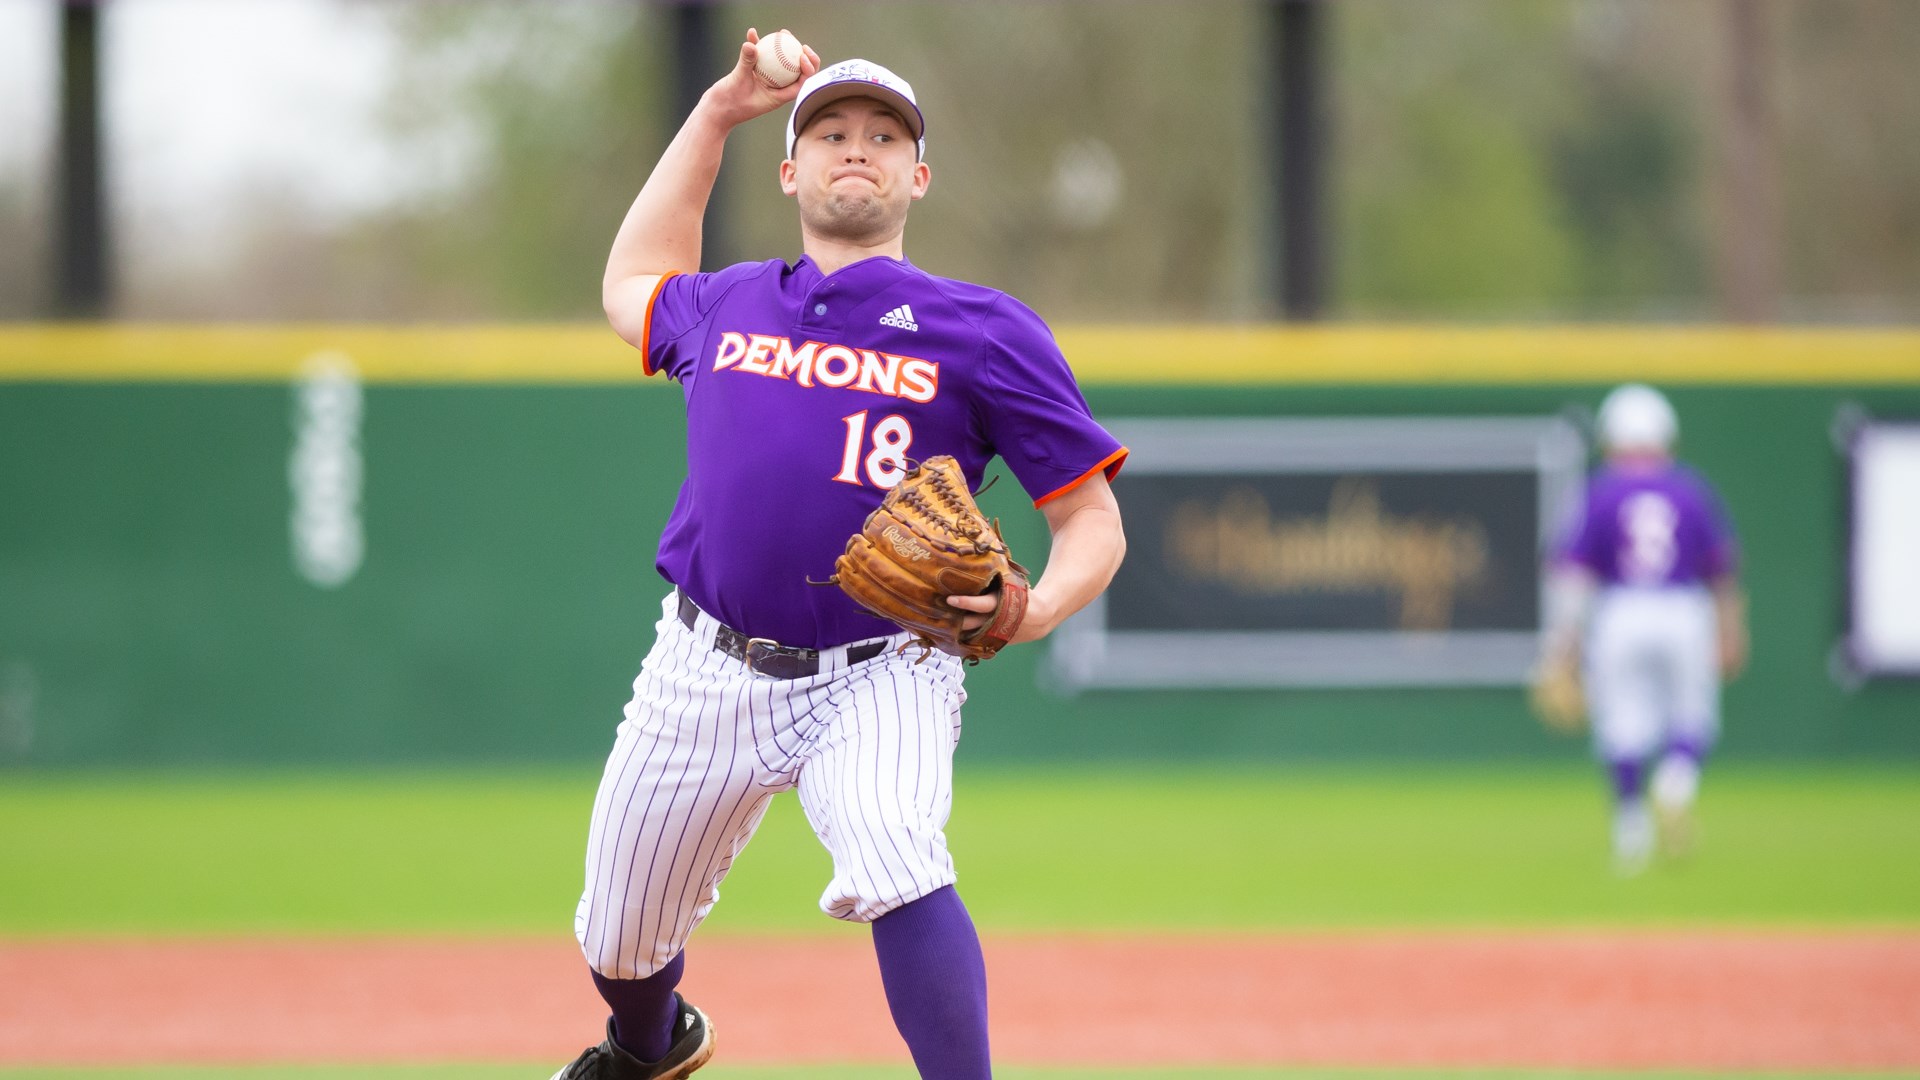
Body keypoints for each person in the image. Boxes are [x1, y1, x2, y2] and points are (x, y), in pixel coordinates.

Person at [552, 30, 1129, 1080]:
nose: (853, 148)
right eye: (828, 132)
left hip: (887, 665)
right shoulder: (726, 303)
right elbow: (632, 276)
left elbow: (1094, 521)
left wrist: (1034, 608)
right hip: (704, 661)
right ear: (791, 170)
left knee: (896, 851)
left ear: (919, 175)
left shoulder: (985, 332)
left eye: (881, 135)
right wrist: (718, 112)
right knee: (619, 936)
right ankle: (648, 1048)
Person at [1538, 383, 1747, 876]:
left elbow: (1572, 576)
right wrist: (1732, 629)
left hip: (1620, 612)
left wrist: (1562, 645)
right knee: (1692, 715)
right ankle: (1676, 779)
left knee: (1622, 725)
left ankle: (1631, 831)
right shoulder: (1691, 489)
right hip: (1683, 607)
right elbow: (1722, 568)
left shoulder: (1601, 490)